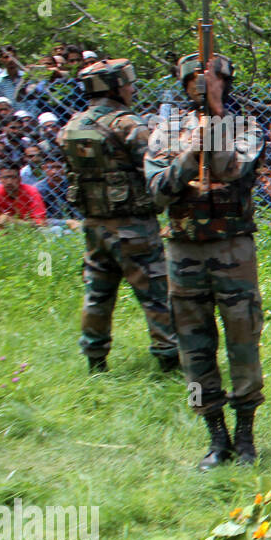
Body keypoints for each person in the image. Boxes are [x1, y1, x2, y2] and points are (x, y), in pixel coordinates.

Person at [144, 49, 264, 468]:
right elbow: (157, 192)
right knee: (194, 346)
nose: (203, 85)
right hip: (183, 251)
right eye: (197, 80)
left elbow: (234, 170)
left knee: (243, 339)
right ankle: (216, 436)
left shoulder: (244, 126)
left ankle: (246, 435)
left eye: (212, 81)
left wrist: (214, 121)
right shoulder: (166, 131)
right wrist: (188, 155)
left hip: (232, 249)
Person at [61, 59, 178, 373]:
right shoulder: (128, 125)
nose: (132, 88)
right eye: (127, 83)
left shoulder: (72, 126)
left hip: (94, 227)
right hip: (133, 227)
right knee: (156, 292)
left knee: (97, 294)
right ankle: (169, 357)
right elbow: (154, 168)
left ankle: (95, 359)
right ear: (114, 87)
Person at [0, 158, 46, 227]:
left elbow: (41, 223)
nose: (9, 182)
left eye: (13, 177)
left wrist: (12, 221)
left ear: (20, 179)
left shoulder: (31, 192)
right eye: (5, 177)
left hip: (29, 232)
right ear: (0, 179)